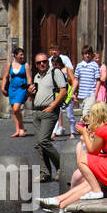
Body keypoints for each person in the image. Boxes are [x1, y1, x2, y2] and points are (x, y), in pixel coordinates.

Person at [41, 101, 107, 212]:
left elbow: (92, 151)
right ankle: (60, 203)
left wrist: (84, 134)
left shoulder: (102, 130)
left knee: (83, 160)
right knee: (88, 183)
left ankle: (96, 191)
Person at [27, 52, 69, 183]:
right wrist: (30, 94)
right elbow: (34, 96)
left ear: (48, 62)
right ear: (36, 64)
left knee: (43, 140)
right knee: (38, 144)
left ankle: (62, 166)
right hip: (38, 112)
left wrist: (52, 106)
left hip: (49, 112)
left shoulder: (54, 72)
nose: (42, 64)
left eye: (44, 61)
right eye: (39, 63)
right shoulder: (36, 77)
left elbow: (63, 90)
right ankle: (44, 173)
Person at [47, 43, 75, 139]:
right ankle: (54, 133)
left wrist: (73, 93)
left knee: (69, 114)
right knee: (56, 113)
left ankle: (72, 132)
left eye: (56, 49)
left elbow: (73, 79)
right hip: (57, 93)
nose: (54, 51)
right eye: (52, 49)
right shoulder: (49, 63)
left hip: (67, 93)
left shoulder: (65, 64)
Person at [72, 46, 103, 130]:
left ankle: (87, 131)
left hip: (91, 94)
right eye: (86, 53)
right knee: (85, 113)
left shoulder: (94, 65)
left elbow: (98, 81)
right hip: (82, 94)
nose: (87, 55)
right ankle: (91, 129)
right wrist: (72, 92)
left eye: (89, 53)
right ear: (83, 54)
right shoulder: (79, 65)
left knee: (86, 113)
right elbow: (76, 80)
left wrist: (95, 94)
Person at [2, 47, 30, 138]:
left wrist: (30, 90)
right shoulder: (10, 65)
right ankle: (18, 130)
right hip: (12, 89)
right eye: (20, 54)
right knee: (14, 109)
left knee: (16, 108)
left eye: (23, 54)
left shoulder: (25, 65)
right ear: (15, 55)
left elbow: (29, 79)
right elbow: (5, 77)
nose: (22, 56)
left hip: (22, 89)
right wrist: (3, 87)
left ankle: (21, 127)